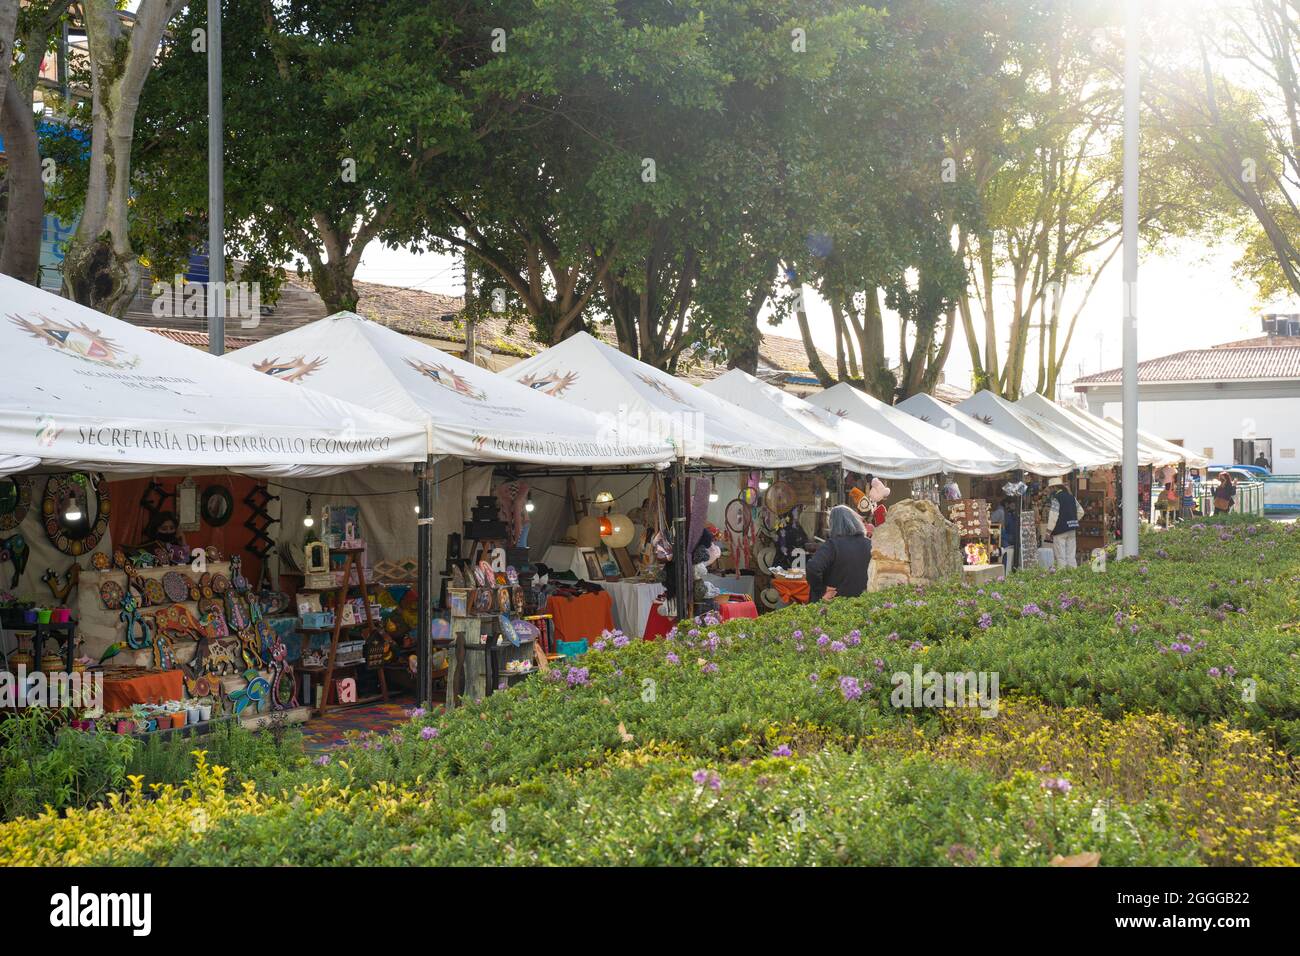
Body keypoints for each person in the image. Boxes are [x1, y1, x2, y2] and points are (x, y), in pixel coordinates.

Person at [807, 504, 872, 602]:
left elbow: (813, 568)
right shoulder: (870, 544)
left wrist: (821, 589)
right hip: (863, 601)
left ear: (833, 524)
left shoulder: (832, 545)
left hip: (835, 604)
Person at [1044, 476, 1083, 569]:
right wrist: (1073, 519)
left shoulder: (1056, 498)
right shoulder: (1071, 497)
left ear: (1054, 487)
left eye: (1050, 488)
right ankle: (1073, 575)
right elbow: (1081, 511)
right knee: (1071, 555)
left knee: (1060, 556)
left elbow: (1053, 516)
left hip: (1060, 530)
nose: (1049, 490)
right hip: (1072, 529)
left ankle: (1063, 578)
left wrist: (1048, 531)